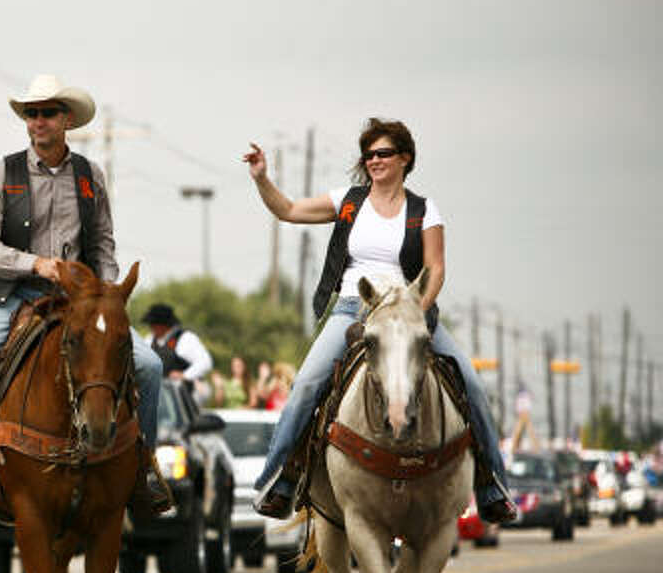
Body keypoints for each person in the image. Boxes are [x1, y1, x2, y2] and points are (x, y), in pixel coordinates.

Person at [243, 118, 516, 523]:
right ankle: (279, 482)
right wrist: (262, 178)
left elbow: (436, 268)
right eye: (368, 154)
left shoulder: (424, 210)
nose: (374, 160)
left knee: (472, 384)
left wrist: (417, 310)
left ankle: (493, 487)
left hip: (409, 312)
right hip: (354, 308)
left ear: (405, 158)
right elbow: (288, 210)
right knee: (305, 385)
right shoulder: (348, 201)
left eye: (383, 153)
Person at [0, 74, 170, 520]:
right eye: (32, 114)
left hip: (81, 301)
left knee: (151, 366)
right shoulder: (2, 173)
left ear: (67, 120)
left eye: (48, 113)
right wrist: (34, 264)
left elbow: (101, 245)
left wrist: (109, 294)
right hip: (11, 297)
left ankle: (143, 467)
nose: (39, 121)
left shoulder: (89, 175)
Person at [141, 304, 214, 397]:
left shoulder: (185, 338)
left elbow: (206, 362)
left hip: (187, 393)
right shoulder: (149, 339)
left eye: (153, 324)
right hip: (160, 394)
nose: (150, 327)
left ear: (163, 324)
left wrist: (184, 375)